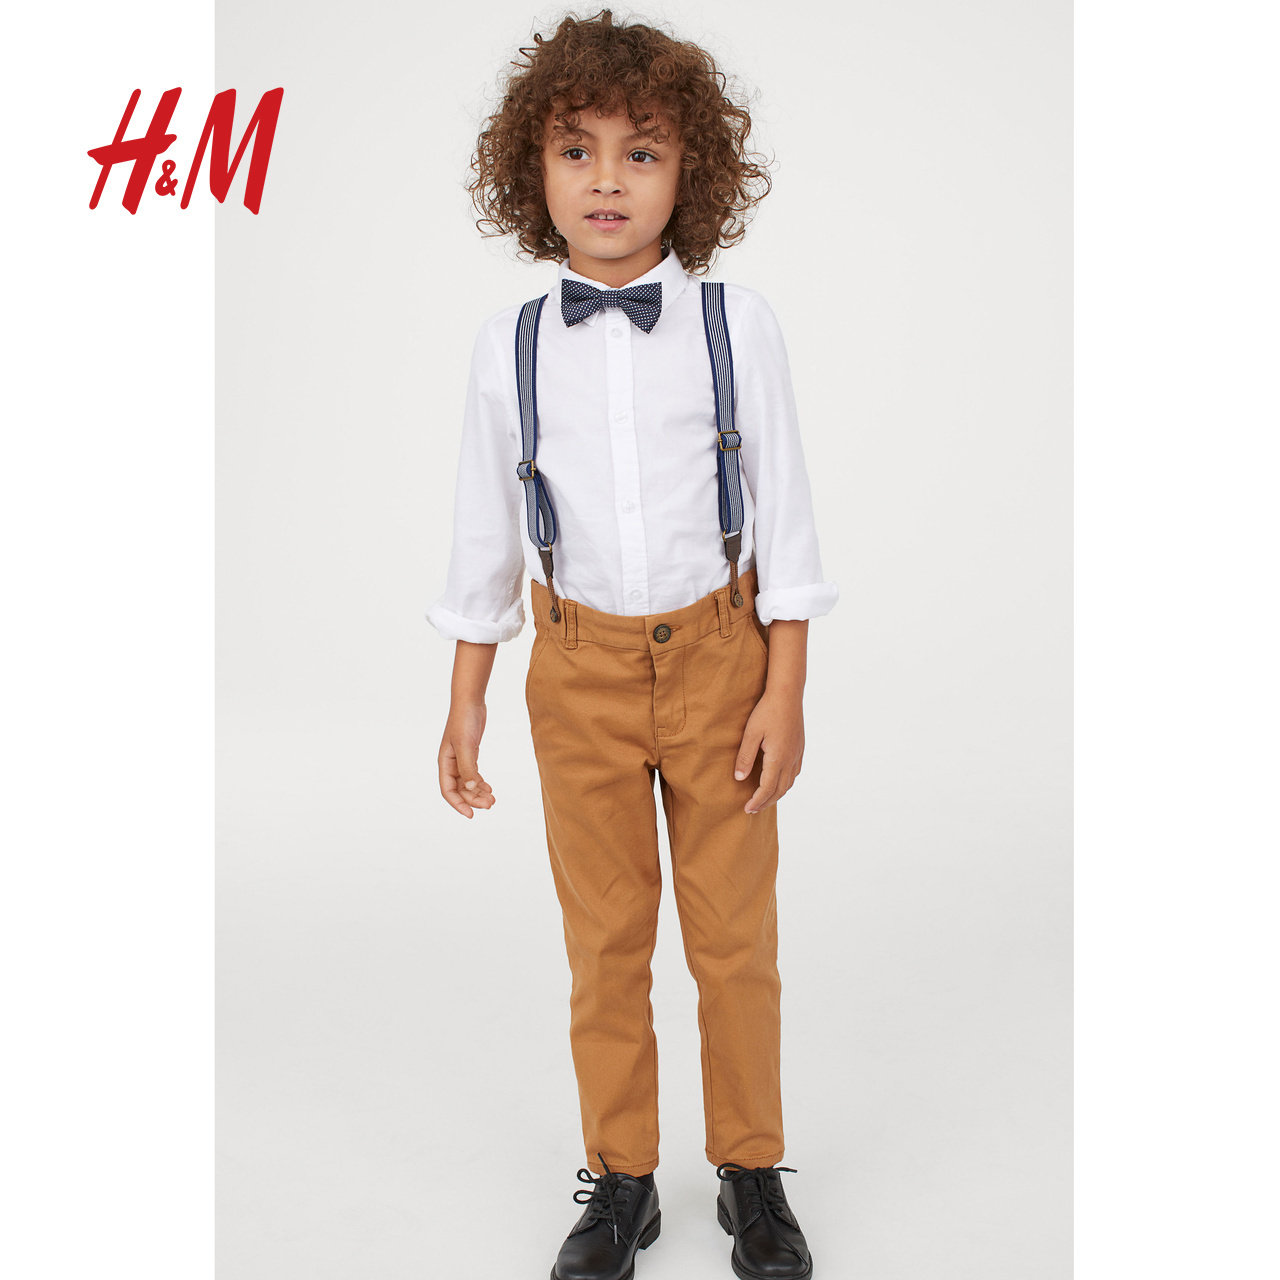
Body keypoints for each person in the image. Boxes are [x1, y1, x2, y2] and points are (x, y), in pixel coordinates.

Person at [426, 10, 837, 1279]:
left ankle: (750, 1168)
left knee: (731, 938)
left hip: (721, 660)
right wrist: (465, 698)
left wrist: (783, 689)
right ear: (532, 170)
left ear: (688, 173)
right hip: (575, 671)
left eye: (641, 151)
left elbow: (786, 520)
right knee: (603, 942)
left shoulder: (735, 324)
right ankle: (621, 1177)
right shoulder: (509, 344)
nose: (606, 179)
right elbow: (485, 532)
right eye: (577, 150)